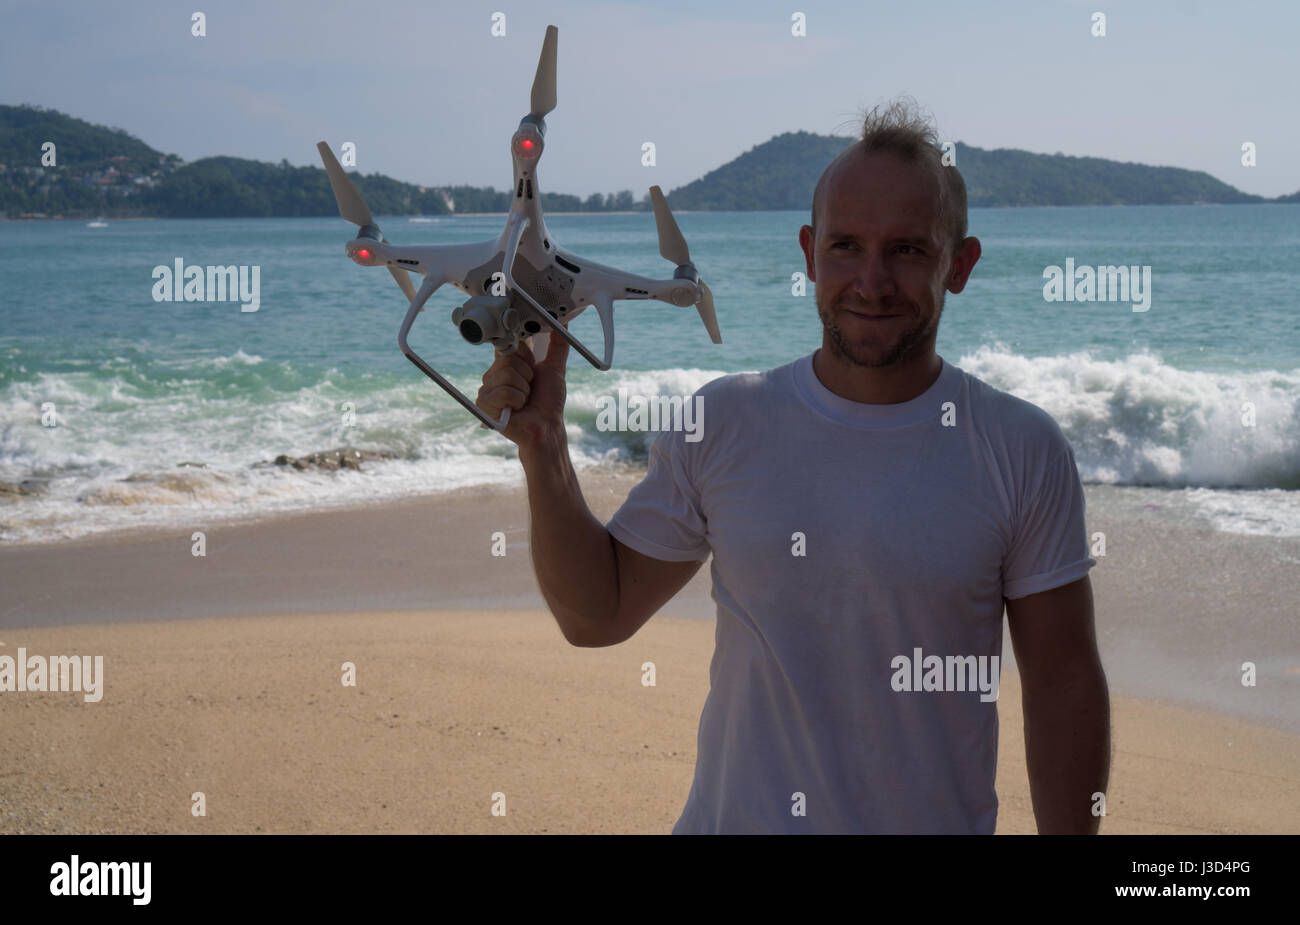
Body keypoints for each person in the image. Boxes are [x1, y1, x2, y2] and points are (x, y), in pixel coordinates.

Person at [475, 100, 1110, 834]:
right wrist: (545, 447)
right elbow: (596, 614)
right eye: (846, 246)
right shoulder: (724, 423)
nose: (871, 281)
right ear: (810, 252)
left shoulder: (1020, 448)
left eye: (907, 250)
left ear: (959, 264)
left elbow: (1063, 684)